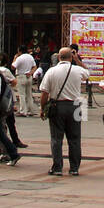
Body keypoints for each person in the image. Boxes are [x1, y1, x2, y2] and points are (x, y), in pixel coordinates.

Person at [40, 46, 85, 175]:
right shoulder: (77, 70)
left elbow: (44, 93)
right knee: (75, 139)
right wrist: (77, 60)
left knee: (56, 138)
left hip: (57, 107)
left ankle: (57, 167)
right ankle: (74, 168)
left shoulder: (51, 71)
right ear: (71, 57)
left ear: (59, 57)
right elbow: (87, 73)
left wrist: (43, 109)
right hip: (75, 106)